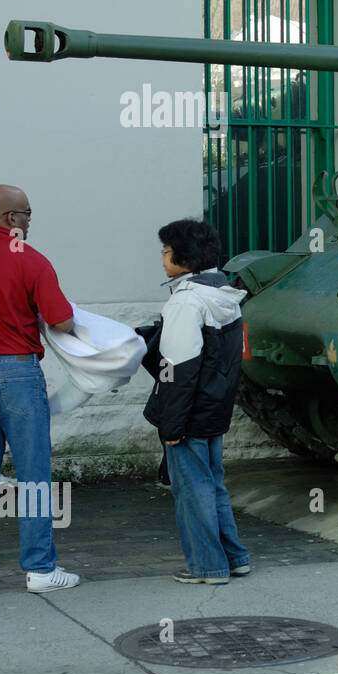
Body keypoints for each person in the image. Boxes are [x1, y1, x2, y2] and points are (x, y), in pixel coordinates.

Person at [0, 185, 80, 598]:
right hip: (19, 372)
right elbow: (63, 322)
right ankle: (39, 569)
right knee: (33, 473)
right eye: (27, 213)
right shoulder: (30, 259)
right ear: (11, 217)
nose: (30, 221)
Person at [141, 219, 250, 583]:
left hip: (187, 414)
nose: (161, 258)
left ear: (183, 258)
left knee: (192, 490)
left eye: (166, 251)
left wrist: (171, 425)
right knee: (213, 484)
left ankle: (208, 566)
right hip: (214, 408)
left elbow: (176, 371)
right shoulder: (226, 295)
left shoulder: (186, 303)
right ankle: (235, 558)